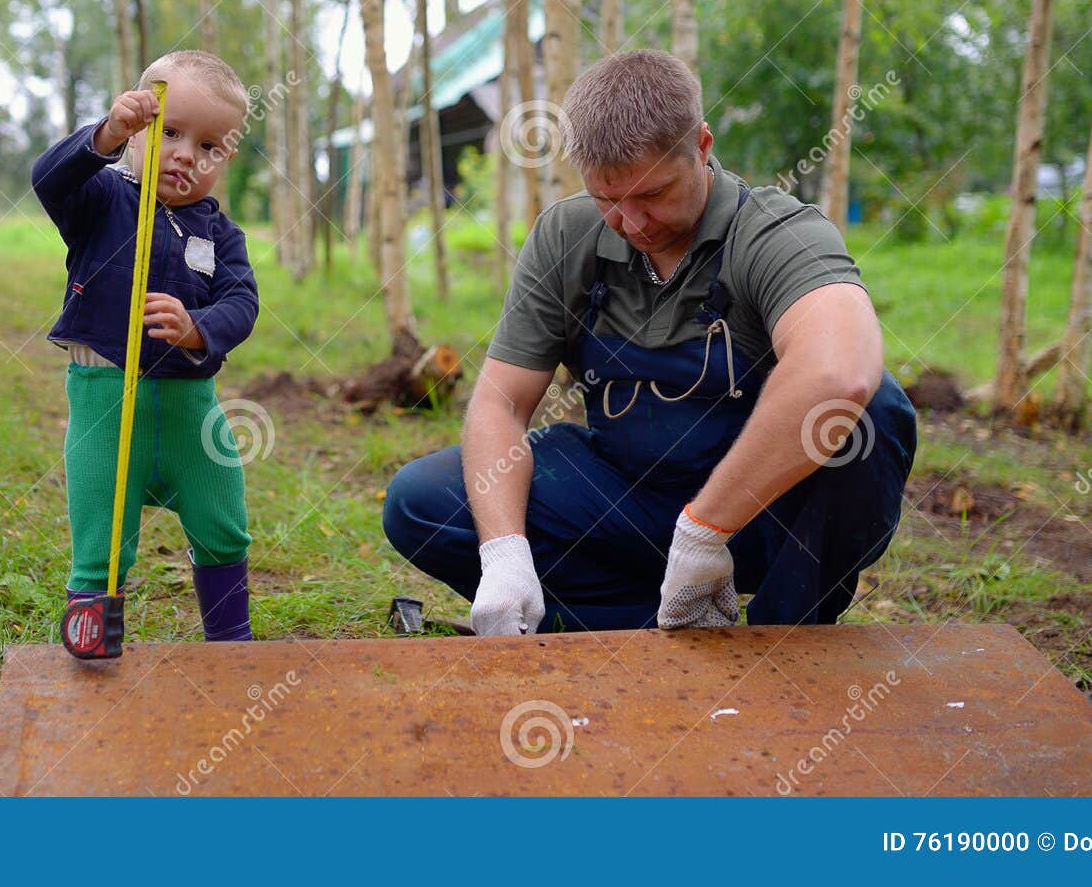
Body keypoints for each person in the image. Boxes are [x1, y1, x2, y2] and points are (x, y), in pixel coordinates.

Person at [383, 49, 917, 634]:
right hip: (626, 501)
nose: (633, 223)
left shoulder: (776, 232)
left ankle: (782, 635)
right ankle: (643, 631)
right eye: (609, 200)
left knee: (871, 413)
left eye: (653, 194)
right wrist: (504, 552)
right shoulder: (566, 235)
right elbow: (499, 404)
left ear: (703, 147)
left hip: (762, 515)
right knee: (422, 500)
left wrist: (704, 532)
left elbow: (840, 373)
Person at [30, 50, 260, 641]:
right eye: (171, 131)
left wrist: (198, 327)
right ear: (138, 131)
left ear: (225, 156)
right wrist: (104, 134)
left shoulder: (221, 233)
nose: (187, 154)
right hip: (105, 402)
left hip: (192, 410)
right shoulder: (102, 200)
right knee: (102, 531)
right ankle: (93, 632)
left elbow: (242, 304)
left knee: (222, 519)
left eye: (209, 146)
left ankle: (230, 638)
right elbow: (48, 179)